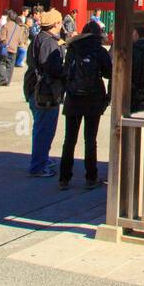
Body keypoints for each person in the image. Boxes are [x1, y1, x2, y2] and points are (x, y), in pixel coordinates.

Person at [59, 20, 112, 189]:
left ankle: (64, 178)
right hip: (93, 99)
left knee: (69, 140)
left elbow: (66, 72)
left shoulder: (73, 49)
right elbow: (109, 73)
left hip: (73, 98)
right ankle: (91, 177)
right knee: (90, 140)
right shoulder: (99, 51)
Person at [23, 9, 65, 178]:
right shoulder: (49, 42)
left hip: (35, 87)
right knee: (44, 129)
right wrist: (66, 72)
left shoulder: (39, 38)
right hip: (45, 91)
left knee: (41, 127)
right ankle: (38, 165)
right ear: (56, 24)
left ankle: (41, 159)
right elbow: (52, 67)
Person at [0, 9, 23, 87]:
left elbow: (2, 37)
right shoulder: (18, 27)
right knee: (10, 65)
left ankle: (3, 79)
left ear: (8, 17)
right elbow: (20, 39)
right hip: (14, 49)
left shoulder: (5, 26)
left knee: (0, 63)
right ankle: (8, 81)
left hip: (5, 48)